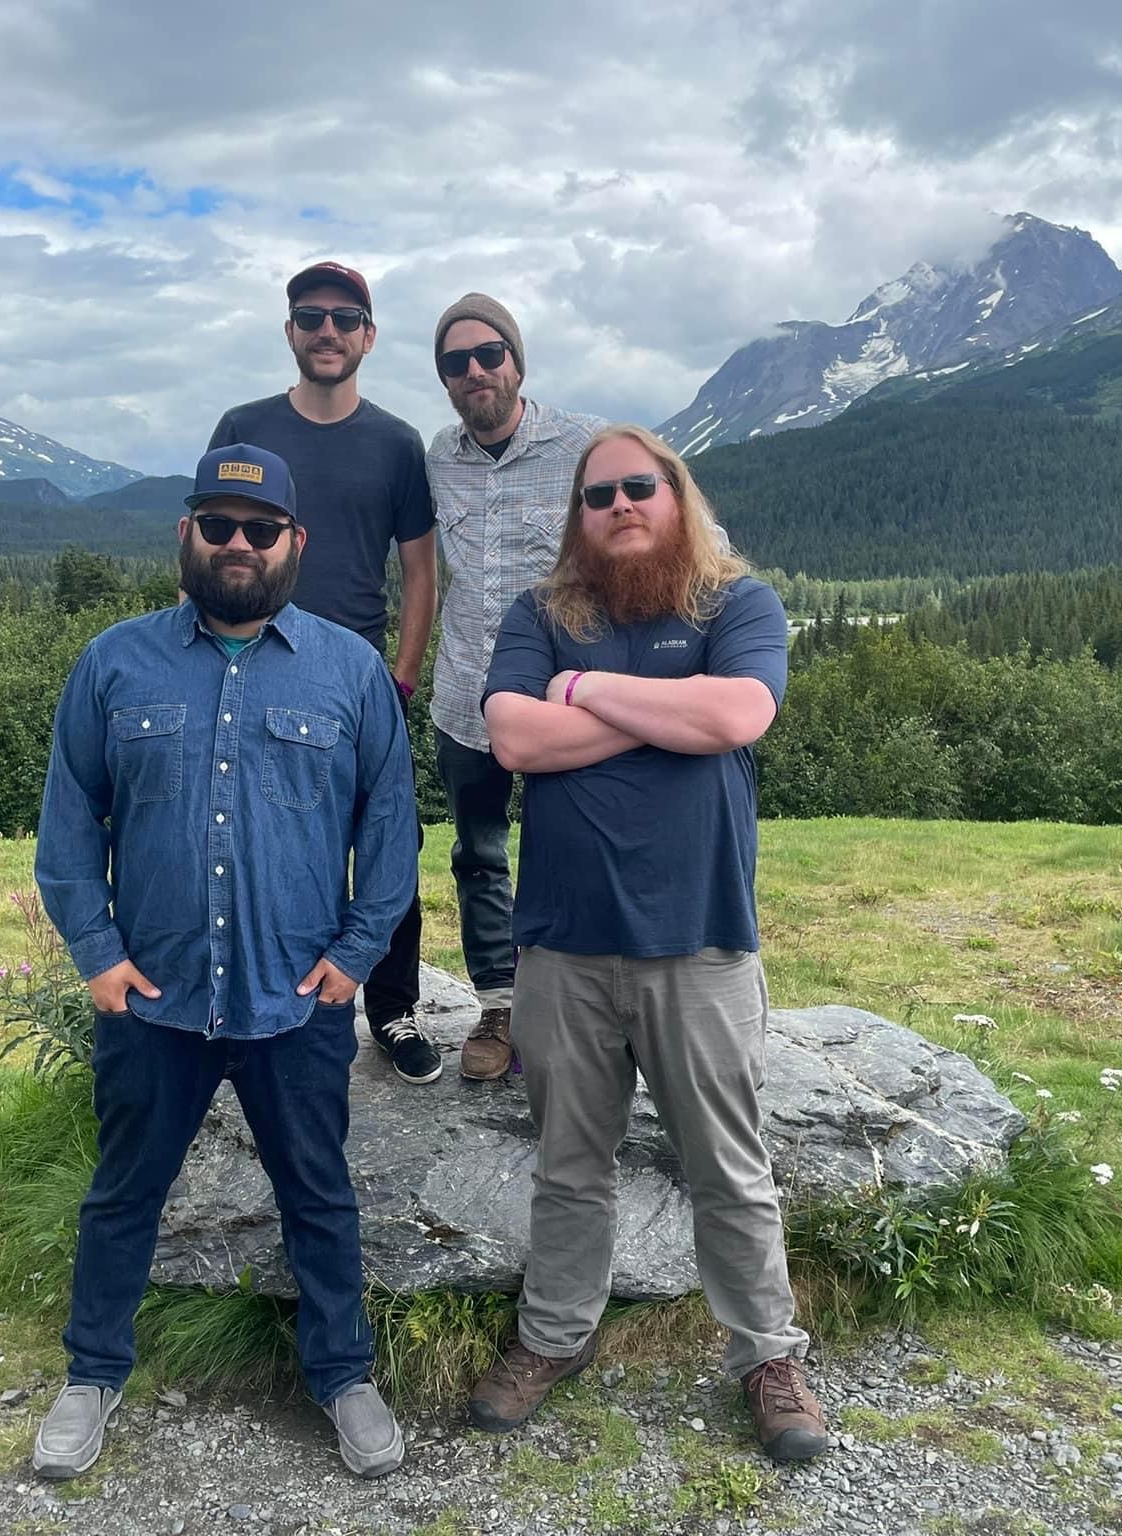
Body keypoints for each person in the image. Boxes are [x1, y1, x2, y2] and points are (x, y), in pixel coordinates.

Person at [30, 443, 417, 1481]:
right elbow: (69, 822)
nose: (236, 545)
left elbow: (391, 828)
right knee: (123, 1194)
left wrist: (354, 956)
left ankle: (343, 1377)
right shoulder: (113, 664)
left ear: (293, 542)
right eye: (217, 525)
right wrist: (97, 955)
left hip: (295, 1000)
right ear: (186, 536)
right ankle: (91, 1373)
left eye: (258, 530)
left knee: (319, 1196)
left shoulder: (348, 672)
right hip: (151, 998)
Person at [464, 425, 830, 1463]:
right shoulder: (539, 613)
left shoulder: (734, 604)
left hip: (700, 943)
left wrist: (578, 692)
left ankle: (766, 1355)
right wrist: (672, 715)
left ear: (674, 497)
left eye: (640, 487)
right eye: (597, 495)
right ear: (575, 519)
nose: (620, 505)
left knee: (727, 1165)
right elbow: (513, 739)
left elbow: (740, 712)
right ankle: (553, 1338)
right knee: (568, 1165)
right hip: (562, 951)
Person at [208, 262, 443, 1086]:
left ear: (369, 337)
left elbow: (420, 571)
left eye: (346, 318)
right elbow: (207, 544)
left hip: (357, 680)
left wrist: (401, 679)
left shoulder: (395, 444)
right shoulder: (244, 427)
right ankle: (249, 995)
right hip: (250, 666)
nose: (328, 331)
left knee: (389, 843)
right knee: (254, 834)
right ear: (291, 332)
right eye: (311, 316)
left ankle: (395, 1006)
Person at [424, 293, 607, 1081]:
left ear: (517, 361)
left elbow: (680, 533)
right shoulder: (434, 458)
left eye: (488, 354)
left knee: (580, 851)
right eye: (454, 362)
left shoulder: (585, 446)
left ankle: (583, 1010)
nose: (474, 372)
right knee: (479, 854)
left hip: (565, 698)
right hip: (466, 695)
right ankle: (499, 1005)